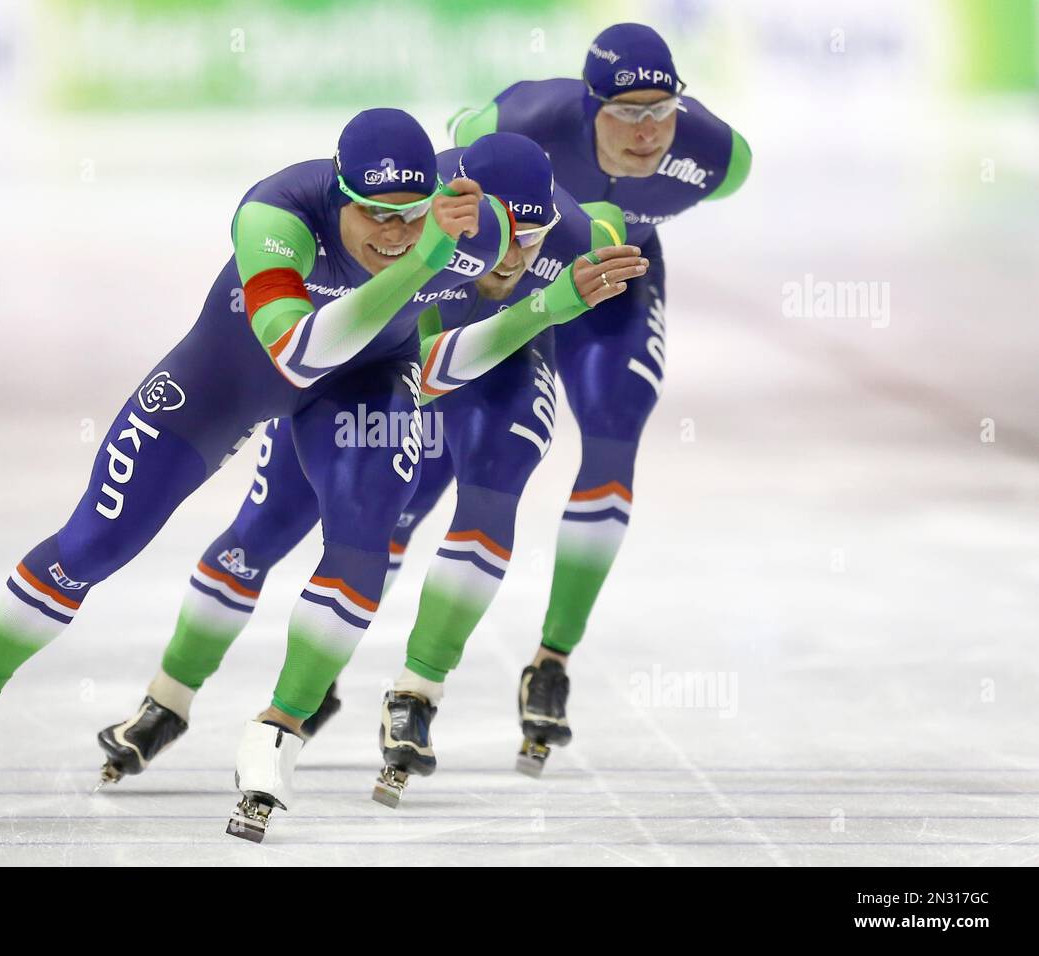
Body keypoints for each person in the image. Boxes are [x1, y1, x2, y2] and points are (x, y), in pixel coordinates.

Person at [93, 133, 642, 811]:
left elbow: (604, 234)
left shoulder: (575, 238)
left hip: (502, 361)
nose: (512, 256)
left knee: (491, 488)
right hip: (392, 366)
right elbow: (409, 359)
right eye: (500, 234)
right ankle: (168, 698)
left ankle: (419, 692)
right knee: (269, 525)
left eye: (533, 236)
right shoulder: (413, 219)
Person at [448, 23, 752, 773]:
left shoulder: (719, 156)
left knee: (615, 437)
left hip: (615, 279)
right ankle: (381, 659)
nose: (648, 132)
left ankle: (551, 662)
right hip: (517, 281)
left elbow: (697, 165)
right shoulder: (522, 122)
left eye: (663, 110)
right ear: (590, 106)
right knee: (437, 466)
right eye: (627, 111)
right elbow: (447, 163)